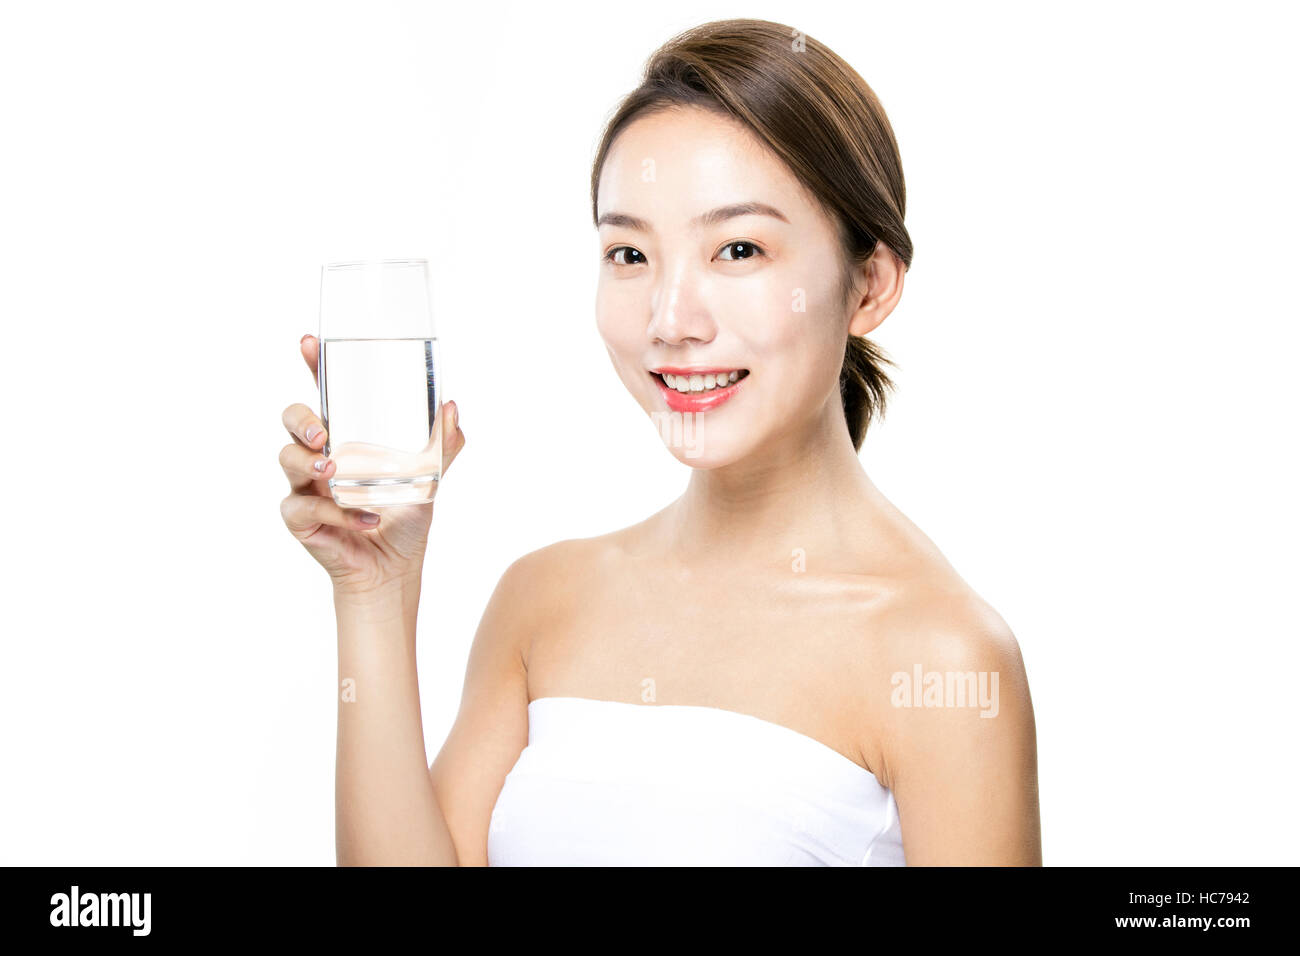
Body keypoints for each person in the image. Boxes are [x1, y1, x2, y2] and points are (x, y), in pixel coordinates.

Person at [279, 18, 1041, 866]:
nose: (671, 321)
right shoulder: (542, 602)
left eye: (739, 249)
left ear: (869, 284)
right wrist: (374, 595)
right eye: (631, 253)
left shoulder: (941, 654)